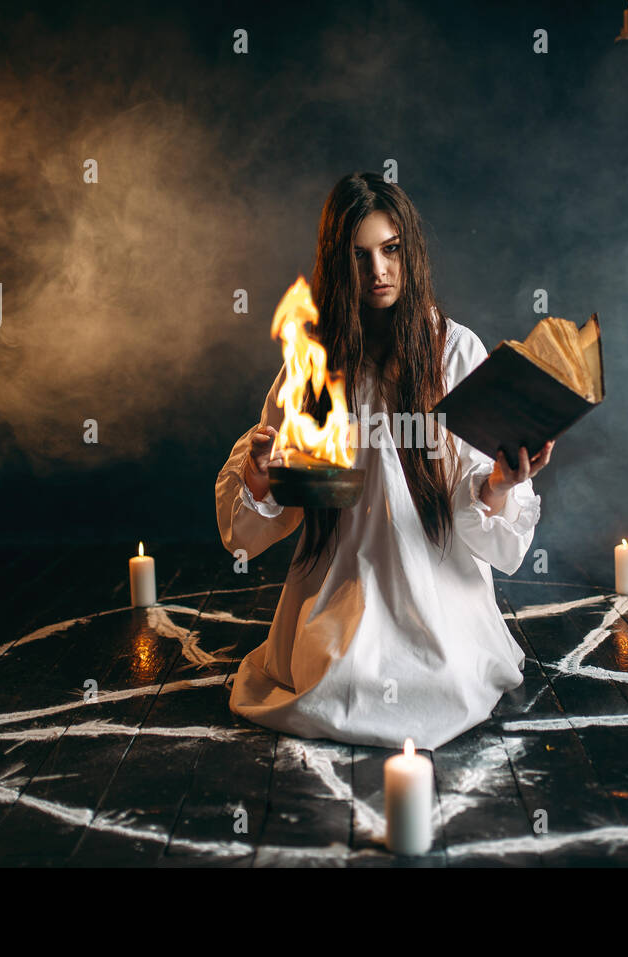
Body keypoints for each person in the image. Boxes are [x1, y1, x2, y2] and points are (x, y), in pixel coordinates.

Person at [214, 172, 554, 751]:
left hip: (436, 590)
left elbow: (487, 513)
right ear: (336, 262)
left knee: (444, 681)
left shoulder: (454, 350)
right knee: (333, 679)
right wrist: (261, 476)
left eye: (391, 250)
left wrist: (498, 485)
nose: (378, 271)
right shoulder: (312, 363)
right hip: (339, 583)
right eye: (360, 255)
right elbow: (255, 526)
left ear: (410, 251)